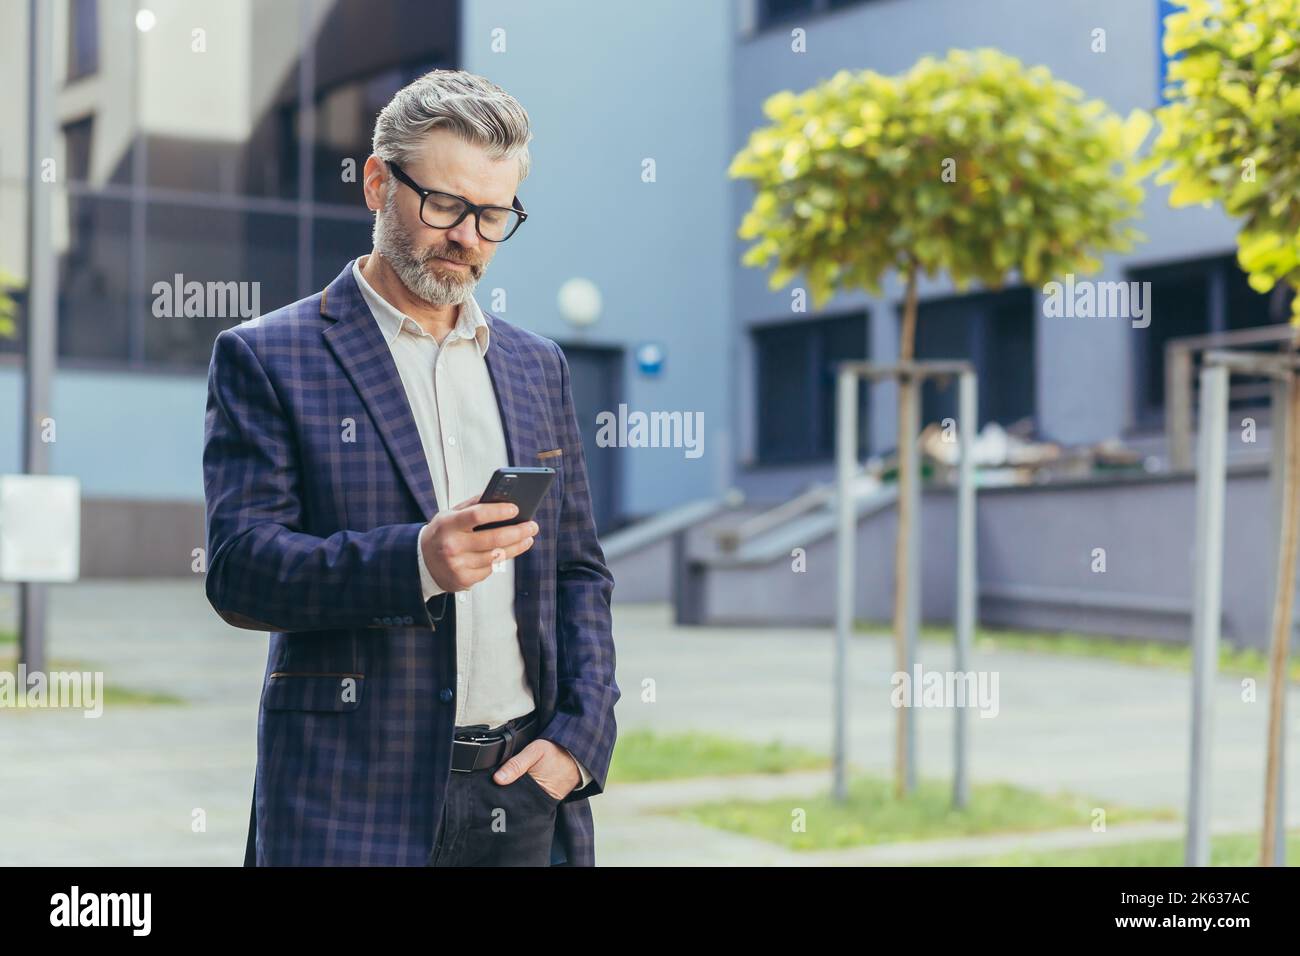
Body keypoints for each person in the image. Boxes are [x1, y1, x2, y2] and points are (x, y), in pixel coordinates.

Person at [202, 69, 618, 866]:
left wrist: (580, 739)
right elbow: (240, 571)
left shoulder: (538, 366)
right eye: (445, 206)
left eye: (494, 215)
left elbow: (579, 571)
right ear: (376, 184)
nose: (468, 236)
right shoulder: (268, 356)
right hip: (346, 804)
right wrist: (415, 561)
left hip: (522, 794)